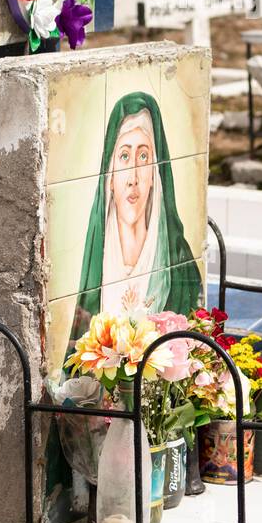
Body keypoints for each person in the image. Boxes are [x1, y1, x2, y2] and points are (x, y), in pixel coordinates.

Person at [68, 91, 202, 343]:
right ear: (109, 176)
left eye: (143, 157)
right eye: (124, 157)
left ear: (156, 176)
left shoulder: (180, 263)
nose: (133, 178)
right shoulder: (93, 265)